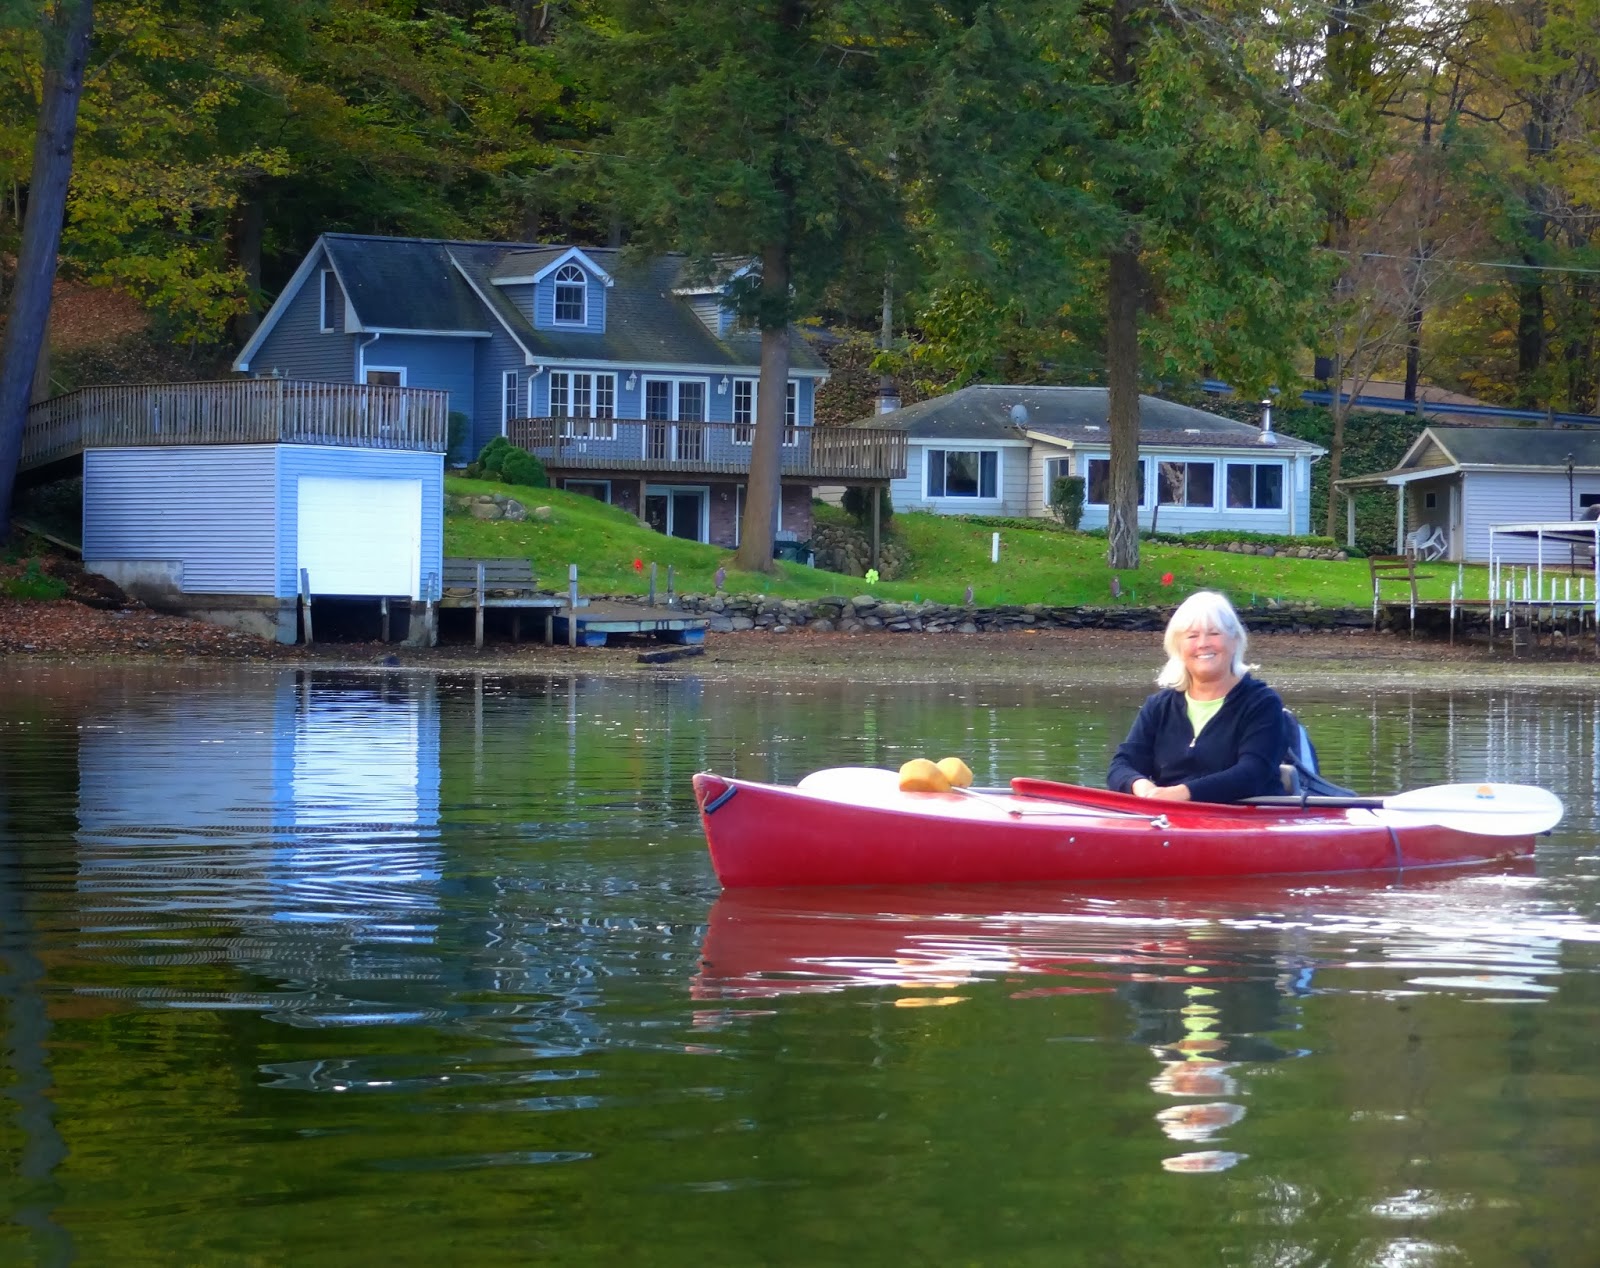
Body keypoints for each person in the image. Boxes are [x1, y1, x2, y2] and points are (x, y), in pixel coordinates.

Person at [1108, 590, 1286, 804]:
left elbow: (1253, 773)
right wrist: (1142, 787)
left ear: (1235, 641)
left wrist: (1182, 793)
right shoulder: (1158, 706)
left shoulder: (1262, 703)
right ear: (1178, 647)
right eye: (1192, 636)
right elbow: (1121, 765)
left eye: (1214, 633)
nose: (1203, 643)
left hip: (1246, 820)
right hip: (1169, 818)